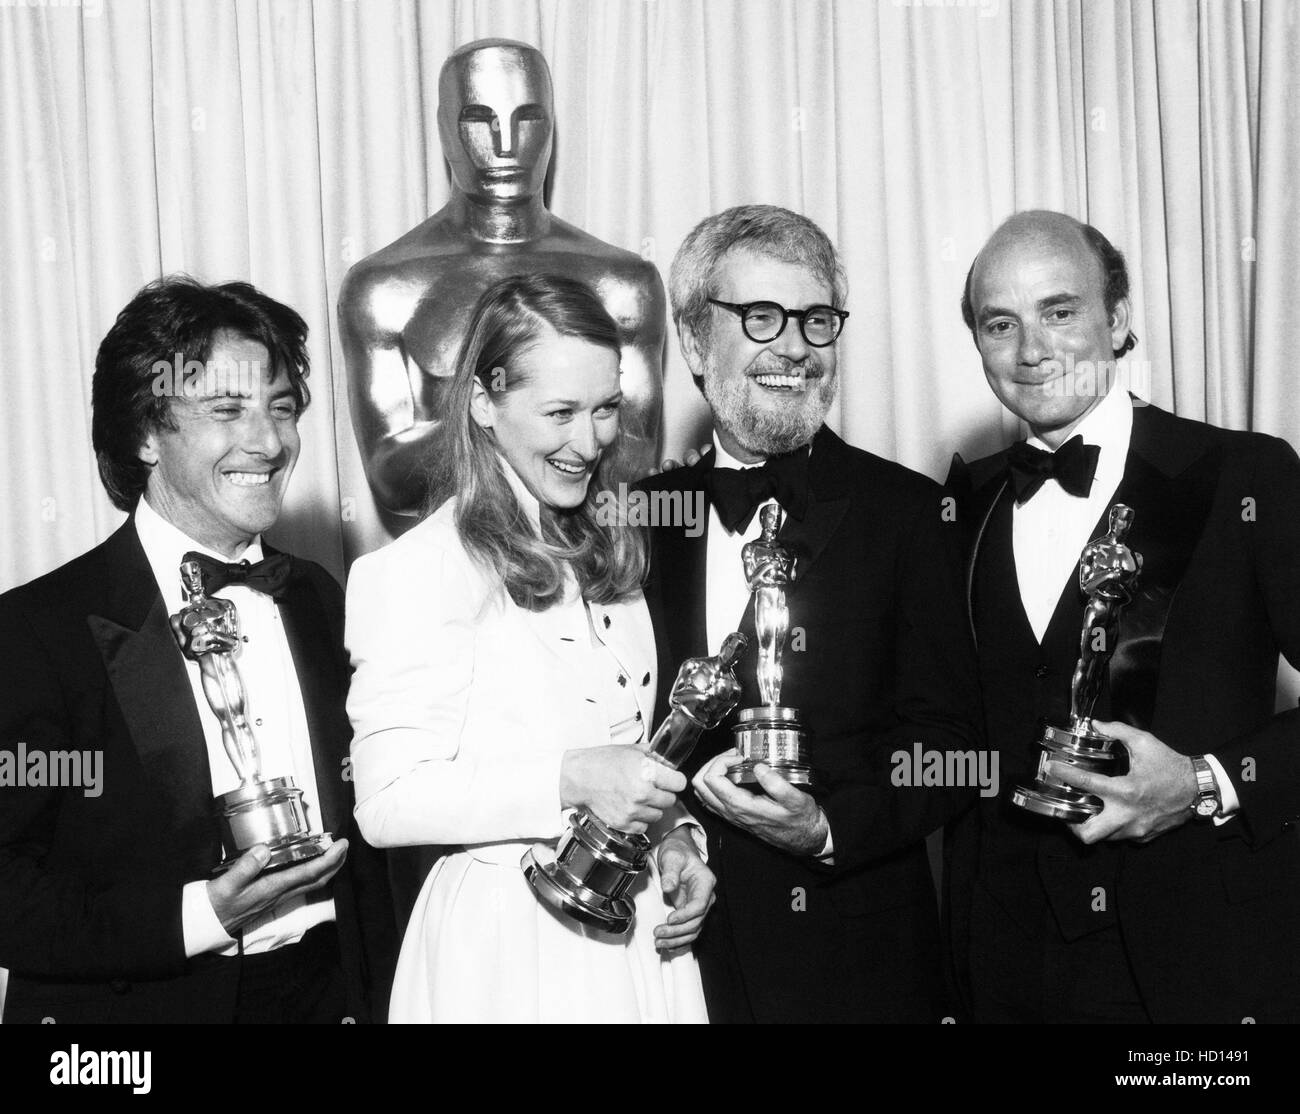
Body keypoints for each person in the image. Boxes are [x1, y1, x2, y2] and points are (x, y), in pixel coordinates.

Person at [0, 276, 396, 1023]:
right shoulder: (36, 631)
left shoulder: (321, 595)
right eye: (227, 410)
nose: (270, 442)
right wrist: (201, 916)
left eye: (282, 408)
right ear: (146, 433)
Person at [946, 209, 1300, 1023]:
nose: (1031, 350)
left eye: (1059, 311)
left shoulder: (1245, 474)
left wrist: (1207, 782)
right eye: (1001, 324)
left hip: (1196, 964)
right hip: (1000, 963)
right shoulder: (963, 501)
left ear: (1117, 319)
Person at [640, 204, 983, 1023]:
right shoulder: (637, 519)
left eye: (816, 320)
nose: (795, 347)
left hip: (856, 967)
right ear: (694, 341)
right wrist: (669, 835)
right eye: (761, 317)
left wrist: (828, 826)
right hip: (666, 957)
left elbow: (957, 751)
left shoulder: (911, 514)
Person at [346, 272, 713, 1023]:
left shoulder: (610, 549)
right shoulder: (418, 569)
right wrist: (569, 779)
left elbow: (625, 753)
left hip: (637, 930)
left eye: (605, 408)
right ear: (484, 403)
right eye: (560, 412)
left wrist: (676, 839)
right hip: (504, 951)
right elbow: (385, 802)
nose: (590, 441)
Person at [339, 38, 666, 515]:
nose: (506, 145)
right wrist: (531, 420)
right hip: (452, 552)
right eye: (478, 120)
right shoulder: (382, 288)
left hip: (590, 549)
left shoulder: (624, 283)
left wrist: (502, 419)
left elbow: (635, 464)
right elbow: (393, 483)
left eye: (528, 119)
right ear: (444, 129)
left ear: (552, 126)